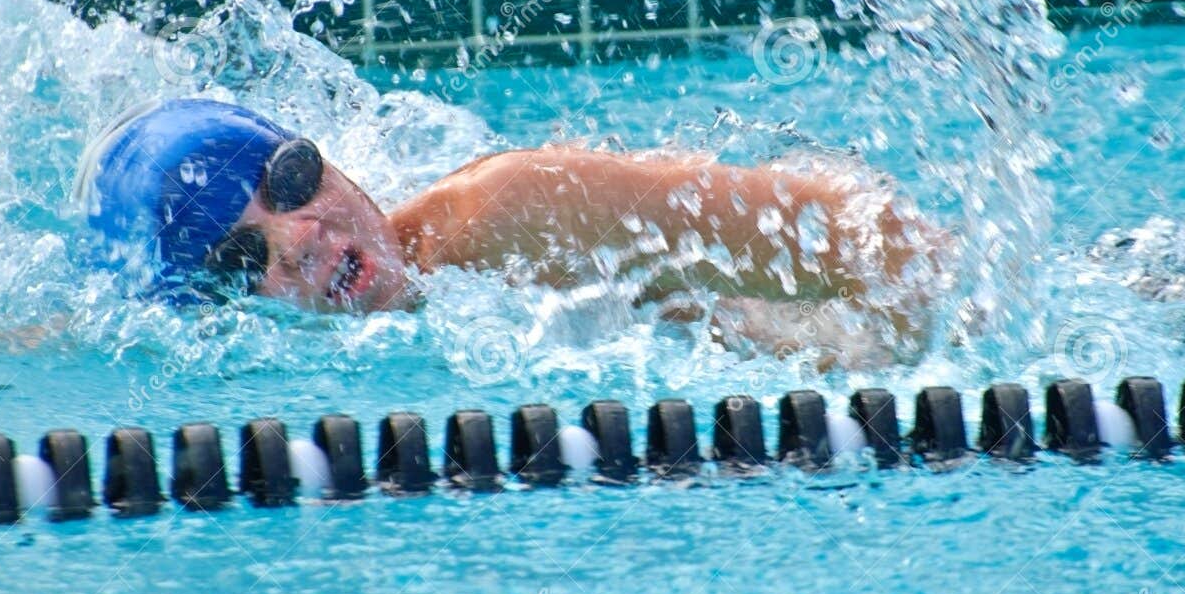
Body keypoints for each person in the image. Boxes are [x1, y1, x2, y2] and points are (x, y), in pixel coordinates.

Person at [78, 97, 948, 362]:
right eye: (243, 254)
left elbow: (879, 242)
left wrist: (905, 358)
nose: (300, 232)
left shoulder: (517, 211)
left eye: (292, 179)